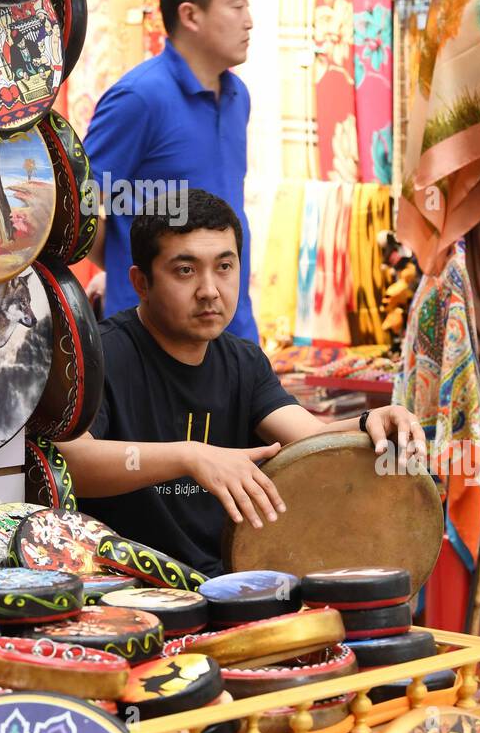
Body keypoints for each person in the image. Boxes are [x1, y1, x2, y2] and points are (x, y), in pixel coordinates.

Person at [58, 191, 426, 577]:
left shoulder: (243, 361)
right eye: (185, 270)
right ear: (141, 282)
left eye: (224, 267)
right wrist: (190, 457)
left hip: (228, 584)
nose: (210, 290)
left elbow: (311, 441)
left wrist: (369, 422)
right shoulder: (101, 356)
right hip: (127, 587)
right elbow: (69, 462)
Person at [83, 0, 259, 341]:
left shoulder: (238, 96)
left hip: (233, 325)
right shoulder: (139, 98)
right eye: (237, 6)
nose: (249, 21)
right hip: (150, 336)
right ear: (191, 15)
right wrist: (127, 265)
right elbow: (77, 205)